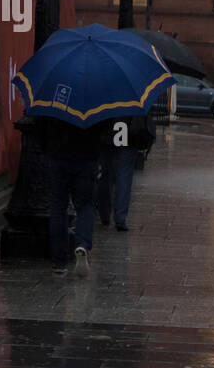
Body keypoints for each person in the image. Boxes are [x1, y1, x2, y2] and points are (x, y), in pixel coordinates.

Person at [40, 114, 105, 277]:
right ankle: (82, 244)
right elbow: (105, 126)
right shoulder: (96, 95)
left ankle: (59, 262)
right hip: (87, 156)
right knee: (85, 205)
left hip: (58, 155)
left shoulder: (55, 93)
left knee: (58, 207)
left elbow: (41, 123)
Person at [98, 113, 155, 231]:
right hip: (129, 134)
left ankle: (104, 213)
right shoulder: (133, 95)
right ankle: (120, 218)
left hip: (107, 133)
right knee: (124, 176)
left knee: (105, 175)